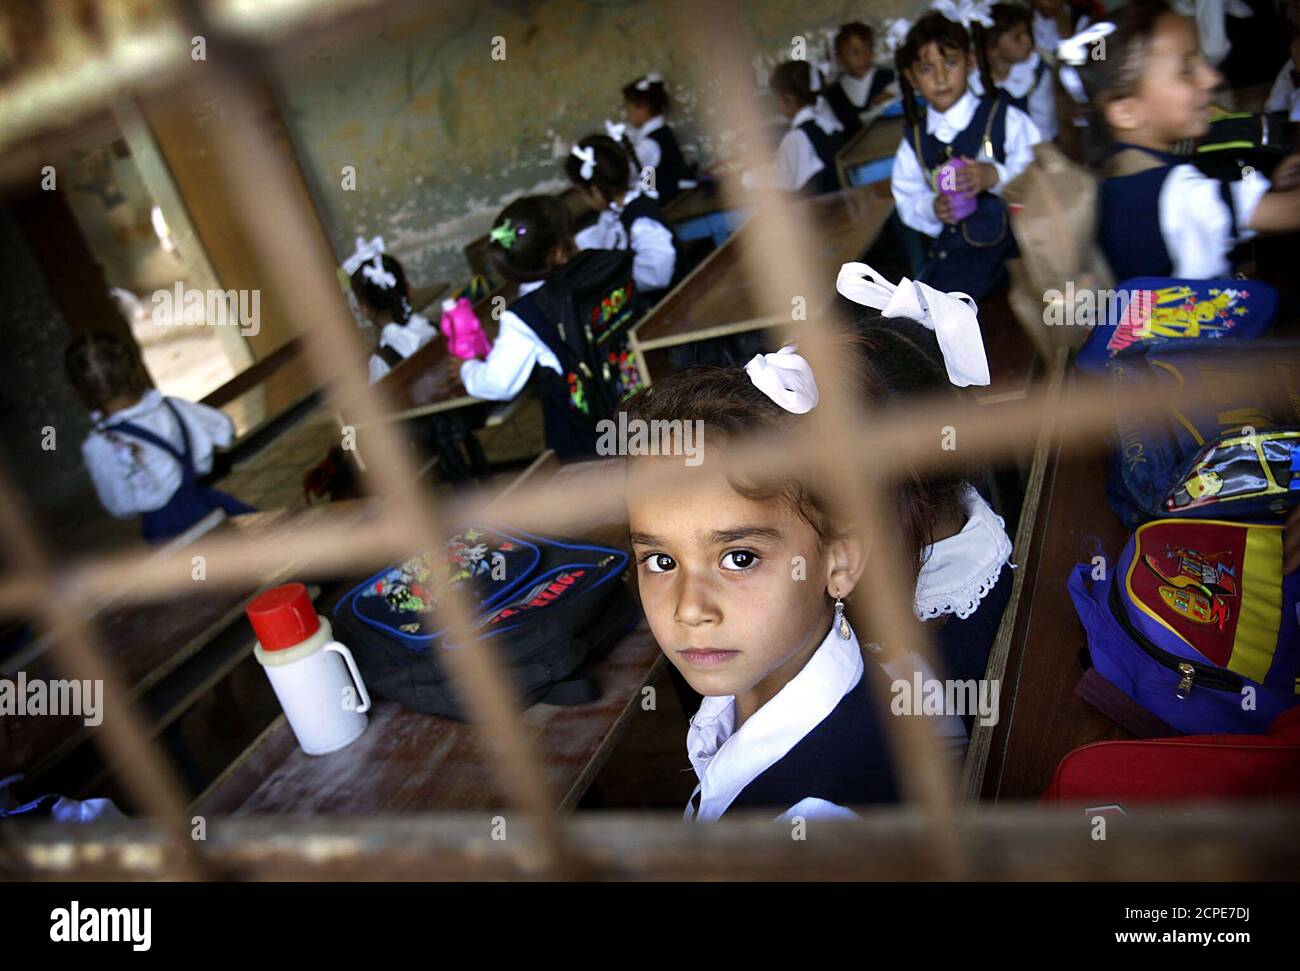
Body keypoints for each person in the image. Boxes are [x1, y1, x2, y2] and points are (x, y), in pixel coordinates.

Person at [68, 331, 253, 544]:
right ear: (136, 367)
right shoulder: (172, 407)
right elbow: (223, 429)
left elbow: (120, 506)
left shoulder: (99, 445)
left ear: (76, 390)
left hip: (169, 533)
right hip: (210, 508)